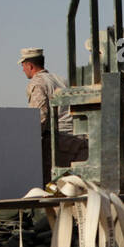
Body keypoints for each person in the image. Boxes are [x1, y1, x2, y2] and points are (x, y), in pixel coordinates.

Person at [19, 47, 86, 183]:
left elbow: (39, 117)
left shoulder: (38, 83)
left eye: (23, 66)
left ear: (30, 66)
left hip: (58, 143)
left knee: (49, 187)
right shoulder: (61, 80)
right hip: (77, 140)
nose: (22, 70)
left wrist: (29, 144)